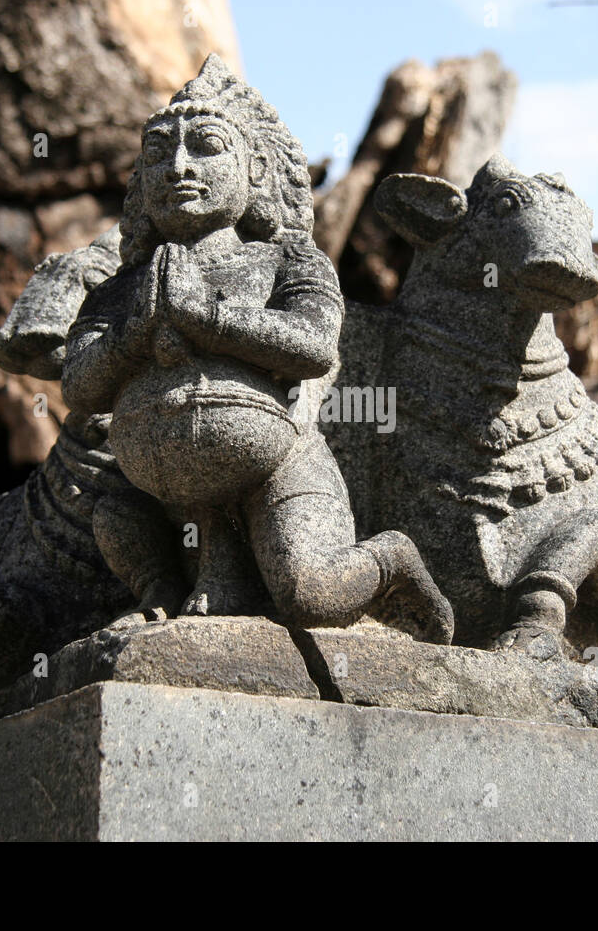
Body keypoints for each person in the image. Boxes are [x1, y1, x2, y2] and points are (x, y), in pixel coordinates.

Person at [62, 55, 451, 641]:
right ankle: (164, 592)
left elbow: (315, 345)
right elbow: (78, 386)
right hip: (161, 482)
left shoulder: (284, 260)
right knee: (114, 517)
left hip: (275, 461)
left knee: (311, 594)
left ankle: (390, 560)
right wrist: (132, 336)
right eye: (159, 152)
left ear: (255, 170)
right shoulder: (122, 288)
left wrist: (205, 318)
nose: (178, 166)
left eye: (207, 146)